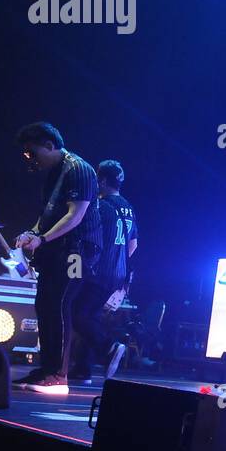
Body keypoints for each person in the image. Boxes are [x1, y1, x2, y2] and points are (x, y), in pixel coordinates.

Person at [12, 122, 102, 395]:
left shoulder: (79, 170)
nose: (30, 159)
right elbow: (49, 213)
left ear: (50, 145)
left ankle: (58, 375)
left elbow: (75, 215)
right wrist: (33, 232)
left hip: (78, 250)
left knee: (60, 304)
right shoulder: (53, 172)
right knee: (45, 304)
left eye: (32, 152)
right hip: (57, 249)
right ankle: (47, 368)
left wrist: (42, 238)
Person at [70, 160, 138, 385]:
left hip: (99, 271)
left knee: (77, 314)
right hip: (118, 273)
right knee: (90, 316)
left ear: (102, 180)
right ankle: (83, 369)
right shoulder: (129, 207)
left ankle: (108, 347)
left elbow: (90, 237)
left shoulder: (101, 206)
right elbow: (132, 246)